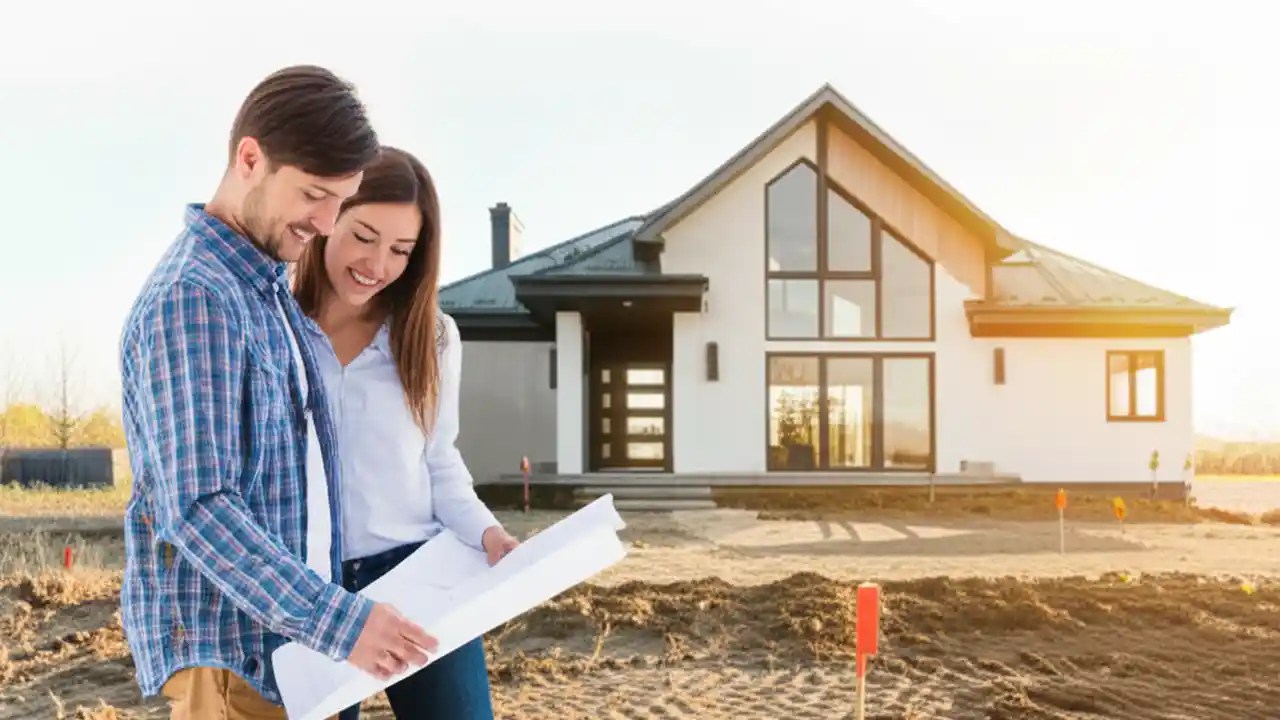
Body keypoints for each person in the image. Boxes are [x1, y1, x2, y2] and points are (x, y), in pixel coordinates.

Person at [118, 66, 438, 720]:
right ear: (250, 158)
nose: (324, 223)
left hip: (299, 653)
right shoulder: (196, 298)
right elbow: (200, 507)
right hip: (244, 664)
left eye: (338, 202)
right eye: (314, 194)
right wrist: (342, 622)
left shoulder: (264, 292)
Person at [291, 146, 519, 720]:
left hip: (418, 576)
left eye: (400, 250)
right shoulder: (277, 327)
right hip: (312, 590)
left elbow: (439, 461)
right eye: (364, 235)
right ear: (329, 218)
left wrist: (488, 534)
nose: (377, 264)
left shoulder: (431, 337)